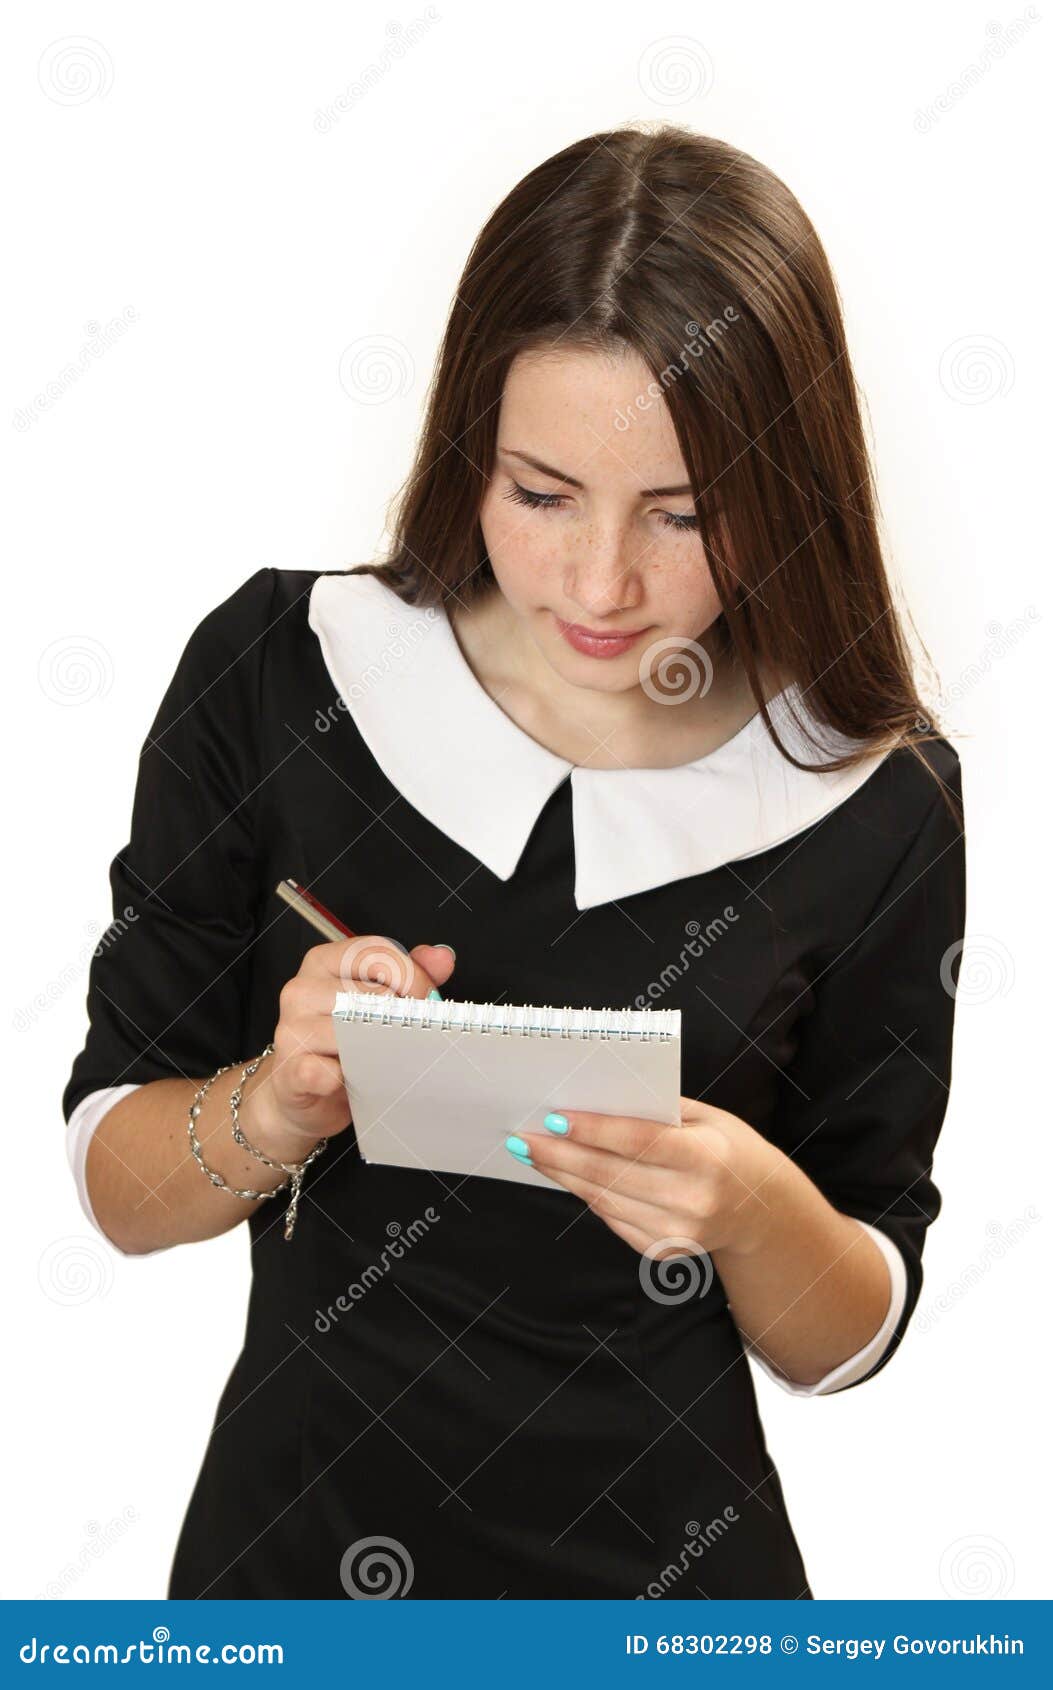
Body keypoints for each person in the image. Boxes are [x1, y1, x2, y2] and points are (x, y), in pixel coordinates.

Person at [63, 123, 966, 1600]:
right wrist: (279, 1101)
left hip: (676, 1593)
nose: (603, 584)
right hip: (297, 1569)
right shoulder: (282, 672)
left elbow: (852, 1325)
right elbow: (113, 1179)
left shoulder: (874, 795)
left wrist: (745, 1203)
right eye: (541, 494)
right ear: (463, 449)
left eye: (683, 513)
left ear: (789, 482)